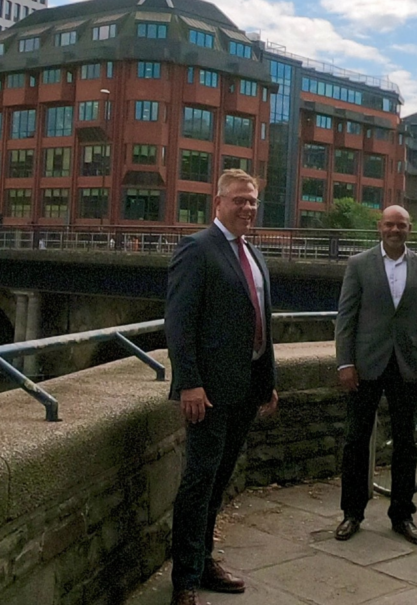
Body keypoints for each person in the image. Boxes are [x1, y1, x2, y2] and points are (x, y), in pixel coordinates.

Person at [165, 169, 279, 605]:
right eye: (239, 200)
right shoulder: (197, 249)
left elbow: (262, 321)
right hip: (208, 392)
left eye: (252, 201)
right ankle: (185, 580)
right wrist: (189, 383)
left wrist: (268, 381)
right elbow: (179, 323)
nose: (247, 208)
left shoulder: (254, 254)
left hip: (246, 388)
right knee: (198, 481)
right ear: (218, 203)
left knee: (219, 480)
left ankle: (206, 560)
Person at [334, 205, 417, 545]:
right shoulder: (358, 264)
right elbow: (345, 318)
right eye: (390, 224)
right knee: (356, 441)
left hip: (406, 364)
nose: (395, 230)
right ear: (380, 227)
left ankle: (403, 515)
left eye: (402, 225)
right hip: (365, 364)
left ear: (411, 229)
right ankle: (352, 513)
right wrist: (344, 363)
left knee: (406, 444)